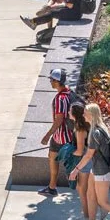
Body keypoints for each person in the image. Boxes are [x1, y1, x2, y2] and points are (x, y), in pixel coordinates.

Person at [42, 67, 75, 198]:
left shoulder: (60, 99)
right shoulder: (69, 93)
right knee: (53, 158)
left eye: (51, 79)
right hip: (69, 136)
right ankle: (52, 187)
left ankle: (52, 187)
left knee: (54, 159)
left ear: (56, 81)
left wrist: (47, 135)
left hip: (61, 137)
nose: (50, 82)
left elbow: (59, 119)